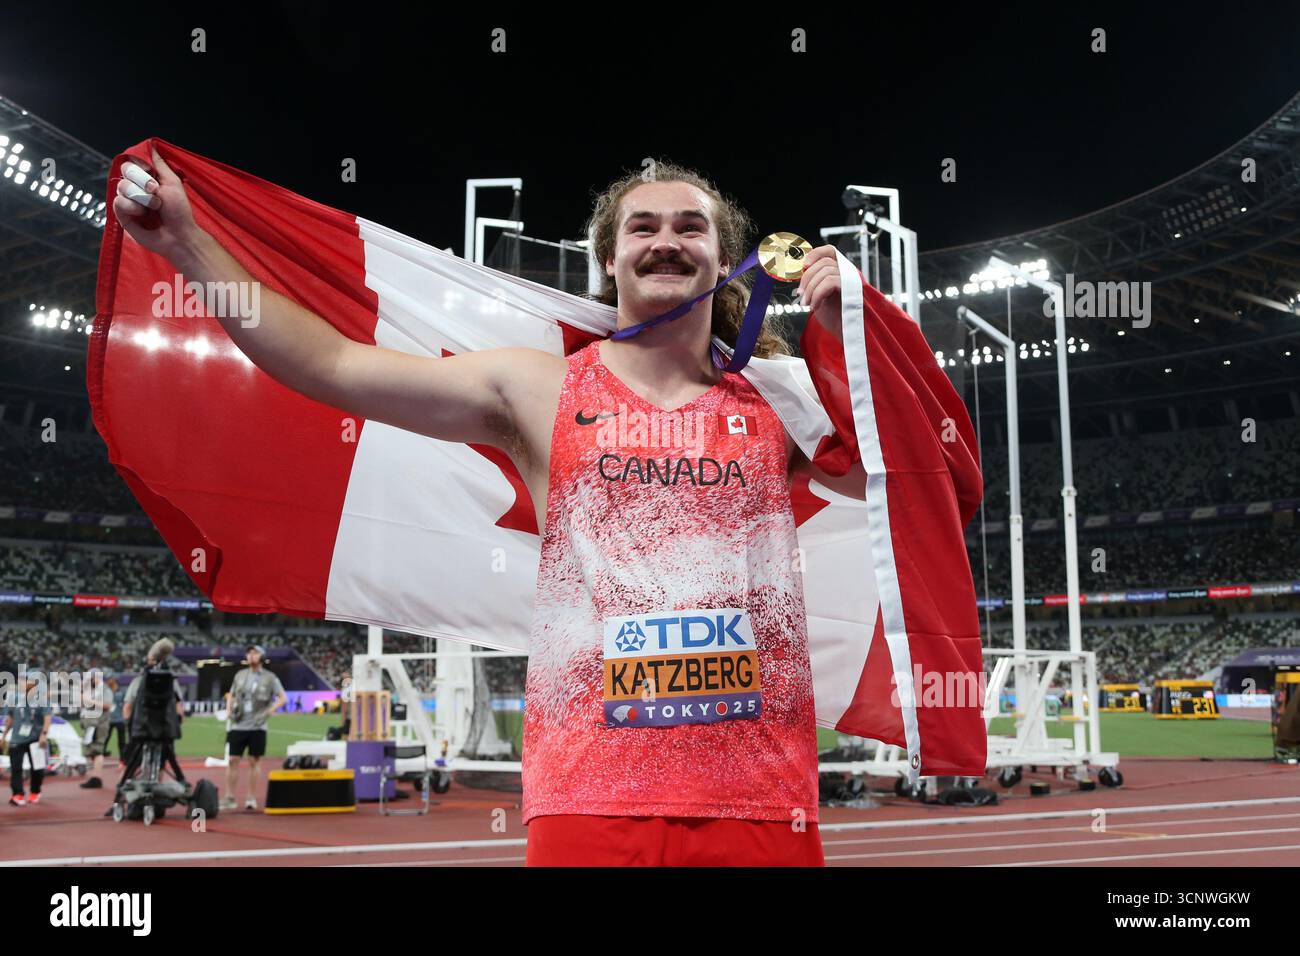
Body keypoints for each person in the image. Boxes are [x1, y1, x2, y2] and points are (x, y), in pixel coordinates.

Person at [114, 151, 866, 866]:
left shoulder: (779, 398)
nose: (665, 241)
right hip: (589, 794)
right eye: (643, 227)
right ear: (609, 259)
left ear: (723, 257)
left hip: (759, 796)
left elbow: (908, 479)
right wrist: (188, 246)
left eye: (689, 227)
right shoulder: (539, 390)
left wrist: (848, 334)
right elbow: (332, 365)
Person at [222, 645, 287, 811]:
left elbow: (282, 698)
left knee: (254, 760)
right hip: (239, 723)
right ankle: (230, 797)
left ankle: (251, 797)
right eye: (249, 653)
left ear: (262, 656)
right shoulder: (240, 675)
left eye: (255, 653)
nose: (251, 655)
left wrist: (270, 711)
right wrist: (229, 710)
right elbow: (232, 695)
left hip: (258, 724)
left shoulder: (270, 677)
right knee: (232, 760)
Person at [3, 671, 52, 807]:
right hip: (16, 739)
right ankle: (17, 794)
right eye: (21, 680)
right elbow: (10, 718)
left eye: (25, 680)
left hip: (35, 739)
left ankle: (35, 791)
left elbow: (47, 718)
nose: (21, 683)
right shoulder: (13, 698)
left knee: (37, 768)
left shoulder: (41, 699)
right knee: (16, 768)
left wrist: (44, 734)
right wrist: (4, 736)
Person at [79, 671, 115, 789]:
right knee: (91, 751)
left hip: (99, 724)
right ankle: (95, 776)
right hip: (91, 724)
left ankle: (97, 778)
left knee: (97, 750)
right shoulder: (91, 689)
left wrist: (90, 701)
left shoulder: (105, 690)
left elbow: (108, 705)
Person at [106, 675, 128, 760]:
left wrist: (126, 718)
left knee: (121, 741)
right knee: (105, 738)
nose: (109, 682)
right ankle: (101, 754)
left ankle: (123, 757)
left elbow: (126, 704)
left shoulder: (122, 691)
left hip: (120, 720)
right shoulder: (106, 692)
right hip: (109, 720)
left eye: (111, 680)